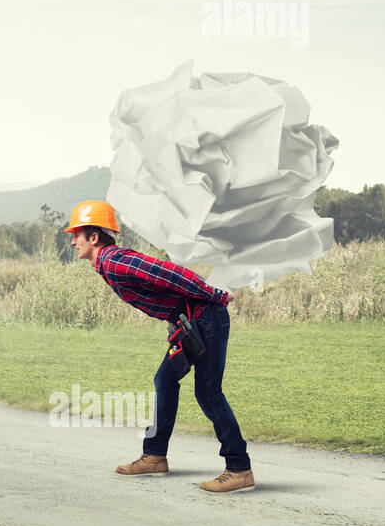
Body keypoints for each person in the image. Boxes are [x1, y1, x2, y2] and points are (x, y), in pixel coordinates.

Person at [64, 199, 254, 494]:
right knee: (164, 379)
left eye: (77, 234)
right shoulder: (107, 264)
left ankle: (239, 468)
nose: (73, 240)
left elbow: (170, 274)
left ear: (94, 237)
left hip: (206, 317)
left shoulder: (114, 261)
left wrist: (215, 295)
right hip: (190, 322)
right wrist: (176, 322)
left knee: (208, 392)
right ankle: (154, 456)